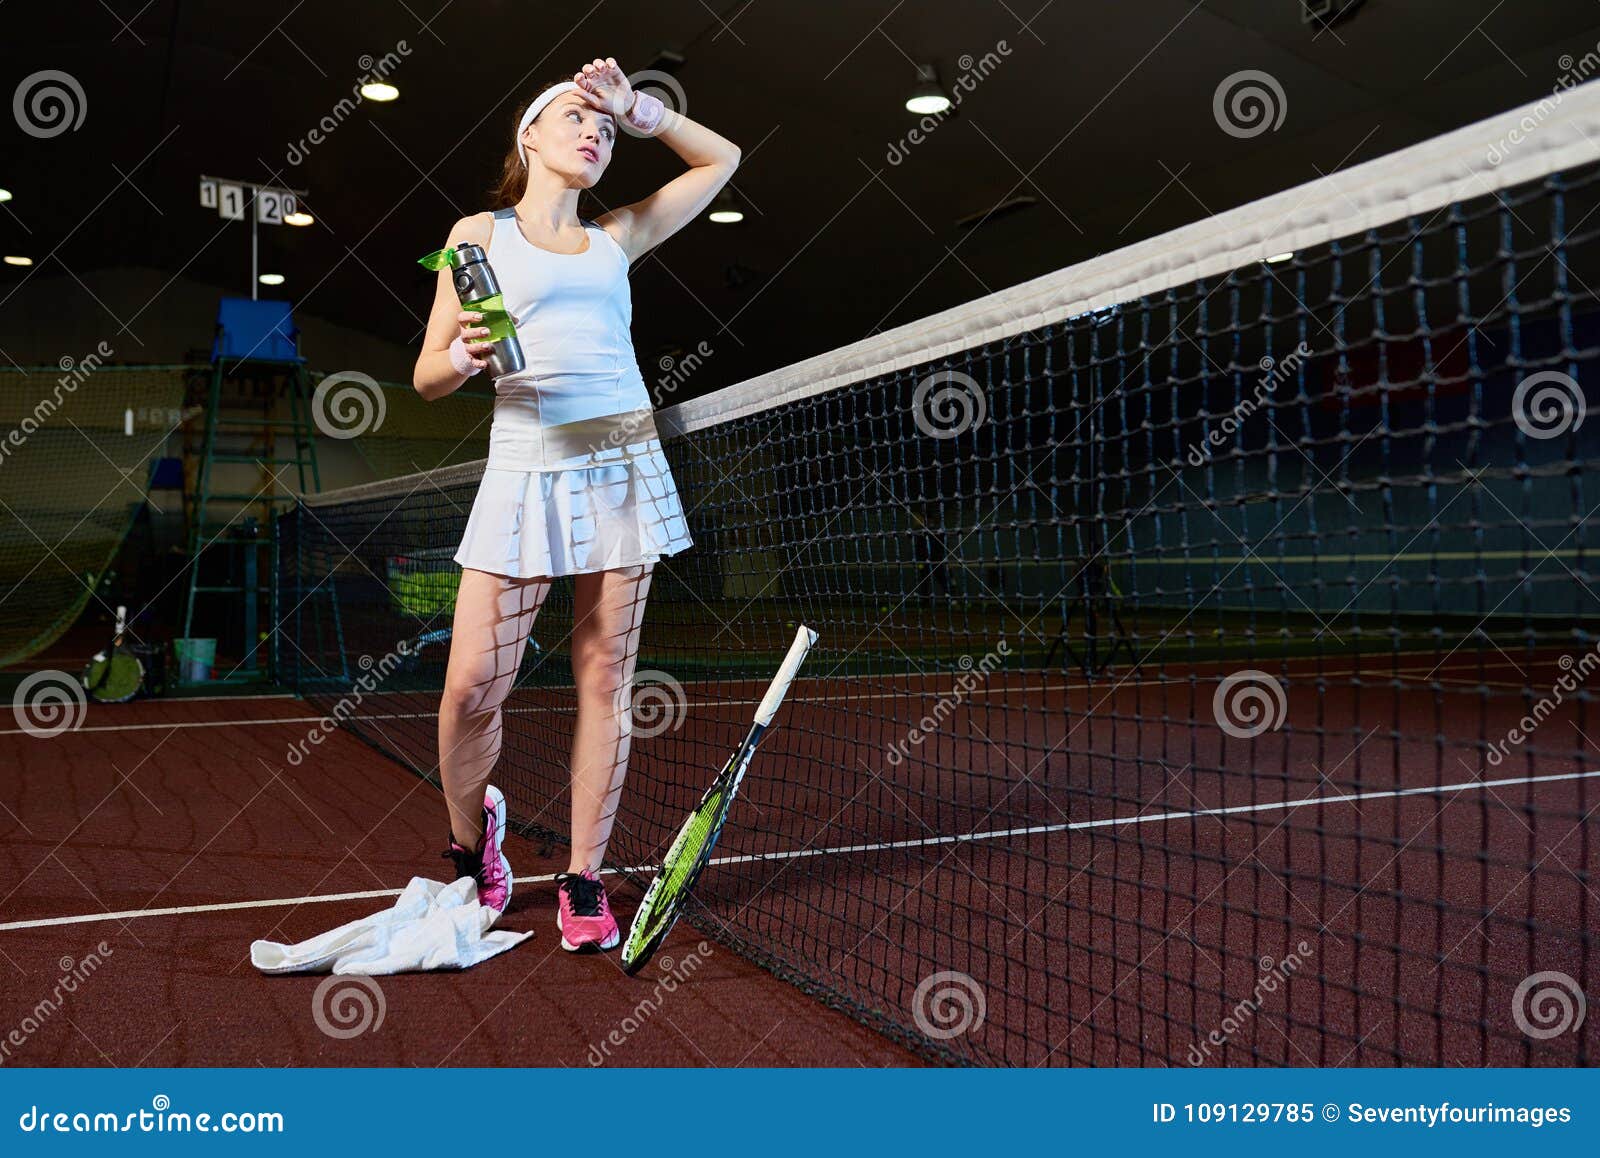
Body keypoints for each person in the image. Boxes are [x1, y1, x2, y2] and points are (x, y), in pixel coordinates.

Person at [412, 58, 740, 951]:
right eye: (577, 116)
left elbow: (721, 162)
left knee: (604, 680)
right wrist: (465, 360)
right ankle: (469, 842)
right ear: (530, 136)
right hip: (524, 468)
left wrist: (641, 108)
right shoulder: (477, 233)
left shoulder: (615, 237)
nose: (594, 132)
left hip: (621, 467)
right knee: (473, 686)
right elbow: (427, 374)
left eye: (604, 126)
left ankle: (585, 877)